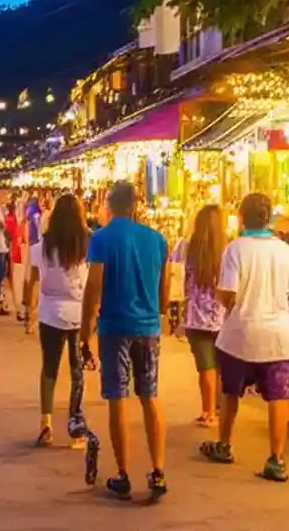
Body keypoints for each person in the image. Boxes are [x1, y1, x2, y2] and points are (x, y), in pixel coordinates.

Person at [80, 181, 169, 501]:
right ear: (134, 206)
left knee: (118, 397)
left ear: (109, 205)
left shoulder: (101, 238)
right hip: (147, 327)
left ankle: (123, 473)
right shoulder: (157, 240)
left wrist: (84, 331)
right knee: (150, 396)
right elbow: (164, 287)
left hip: (114, 326)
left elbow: (93, 287)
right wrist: (158, 314)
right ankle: (158, 471)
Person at [202, 193, 289, 482]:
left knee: (231, 390)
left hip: (240, 333)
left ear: (242, 217)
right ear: (268, 218)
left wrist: (219, 296)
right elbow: (288, 292)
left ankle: (224, 444)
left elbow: (228, 293)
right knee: (278, 395)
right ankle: (277, 459)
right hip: (277, 334)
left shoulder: (236, 249)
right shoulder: (284, 250)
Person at [25, 192, 90, 448]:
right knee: (77, 371)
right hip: (79, 315)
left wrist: (27, 311)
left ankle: (46, 424)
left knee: (49, 368)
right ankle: (76, 428)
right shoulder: (86, 244)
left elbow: (31, 281)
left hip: (50, 313)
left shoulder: (42, 246)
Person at [174, 205, 228, 427]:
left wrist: (175, 313)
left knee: (205, 365)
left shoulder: (185, 247)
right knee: (219, 366)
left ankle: (208, 411)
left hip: (196, 316)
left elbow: (175, 278)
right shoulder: (227, 250)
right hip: (223, 315)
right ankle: (217, 408)